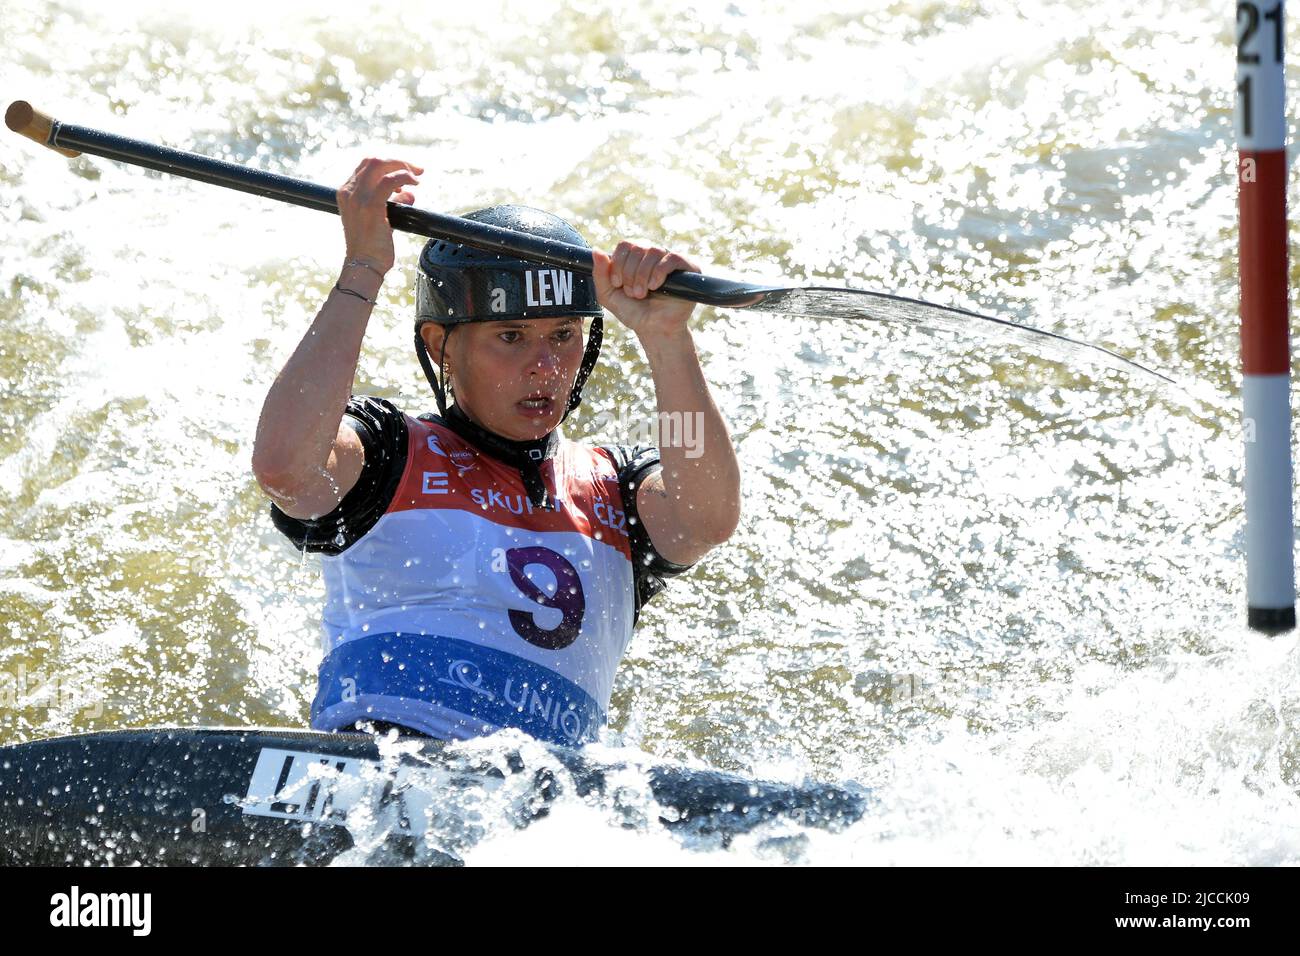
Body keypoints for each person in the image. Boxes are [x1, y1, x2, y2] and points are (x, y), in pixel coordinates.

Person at [251, 157, 741, 747]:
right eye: (511, 338)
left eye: (563, 335)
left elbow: (708, 516)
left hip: (543, 807)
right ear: (442, 347)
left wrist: (668, 341)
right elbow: (285, 467)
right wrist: (364, 267)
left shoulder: (615, 487)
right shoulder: (389, 453)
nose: (546, 367)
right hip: (380, 773)